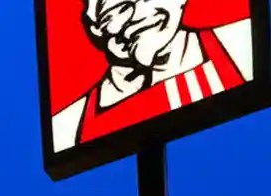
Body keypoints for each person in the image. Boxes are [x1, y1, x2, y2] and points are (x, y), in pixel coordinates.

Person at [52, 0, 254, 152]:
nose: (138, 15)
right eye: (116, 11)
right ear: (96, 27)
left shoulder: (239, 46)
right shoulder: (69, 126)